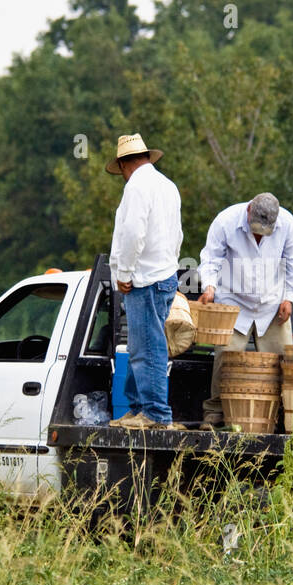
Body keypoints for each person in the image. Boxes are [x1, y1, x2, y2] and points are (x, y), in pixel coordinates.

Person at [196, 193, 293, 428]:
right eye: (255, 229)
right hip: (233, 301)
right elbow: (211, 258)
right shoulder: (225, 221)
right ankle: (215, 412)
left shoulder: (287, 223)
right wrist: (210, 287)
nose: (258, 235)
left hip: (272, 303)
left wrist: (288, 297)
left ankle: (280, 416)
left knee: (280, 362)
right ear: (248, 212)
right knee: (225, 359)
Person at [106, 133, 183, 430]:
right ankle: (139, 407)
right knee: (142, 344)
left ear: (125, 164)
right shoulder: (167, 186)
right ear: (146, 157)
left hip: (144, 278)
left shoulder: (136, 187)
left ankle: (155, 414)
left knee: (147, 347)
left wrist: (124, 273)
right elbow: (177, 235)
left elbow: (132, 233)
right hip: (164, 274)